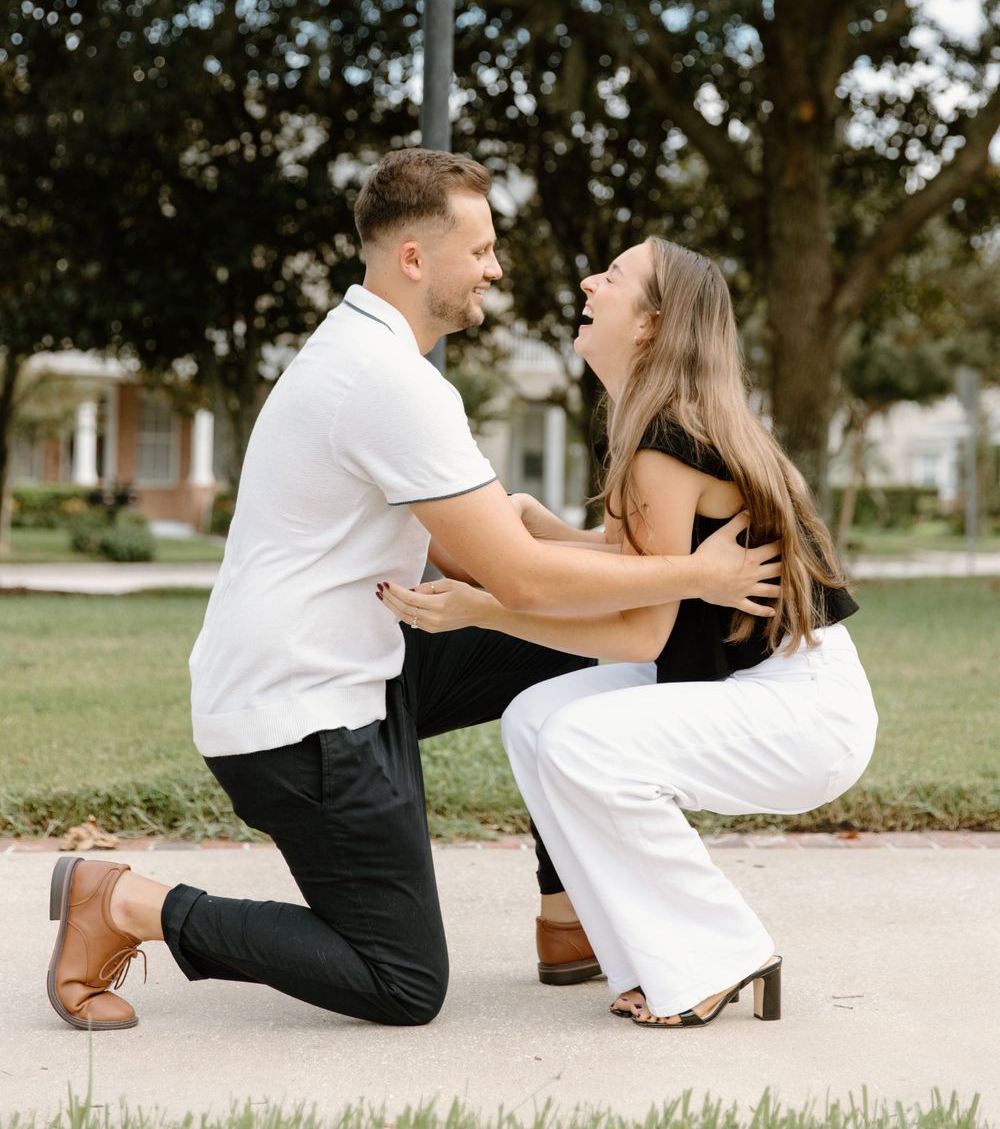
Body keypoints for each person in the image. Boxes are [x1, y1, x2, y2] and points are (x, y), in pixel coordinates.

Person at [47, 152, 783, 1033]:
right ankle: (126, 900)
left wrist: (573, 548)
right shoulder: (387, 383)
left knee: (579, 640)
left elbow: (480, 562)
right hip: (302, 717)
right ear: (413, 259)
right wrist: (696, 574)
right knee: (400, 981)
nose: (495, 270)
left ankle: (567, 914)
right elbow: (510, 575)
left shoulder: (372, 357)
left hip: (363, 665)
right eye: (480, 250)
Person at [380, 236, 878, 1029]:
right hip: (754, 687)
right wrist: (543, 532)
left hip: (799, 709)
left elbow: (643, 631)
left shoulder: (663, 441)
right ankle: (650, 956)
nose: (588, 280)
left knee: (582, 741)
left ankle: (719, 954)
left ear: (651, 323)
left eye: (612, 276)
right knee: (534, 719)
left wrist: (489, 607)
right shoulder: (658, 423)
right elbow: (642, 565)